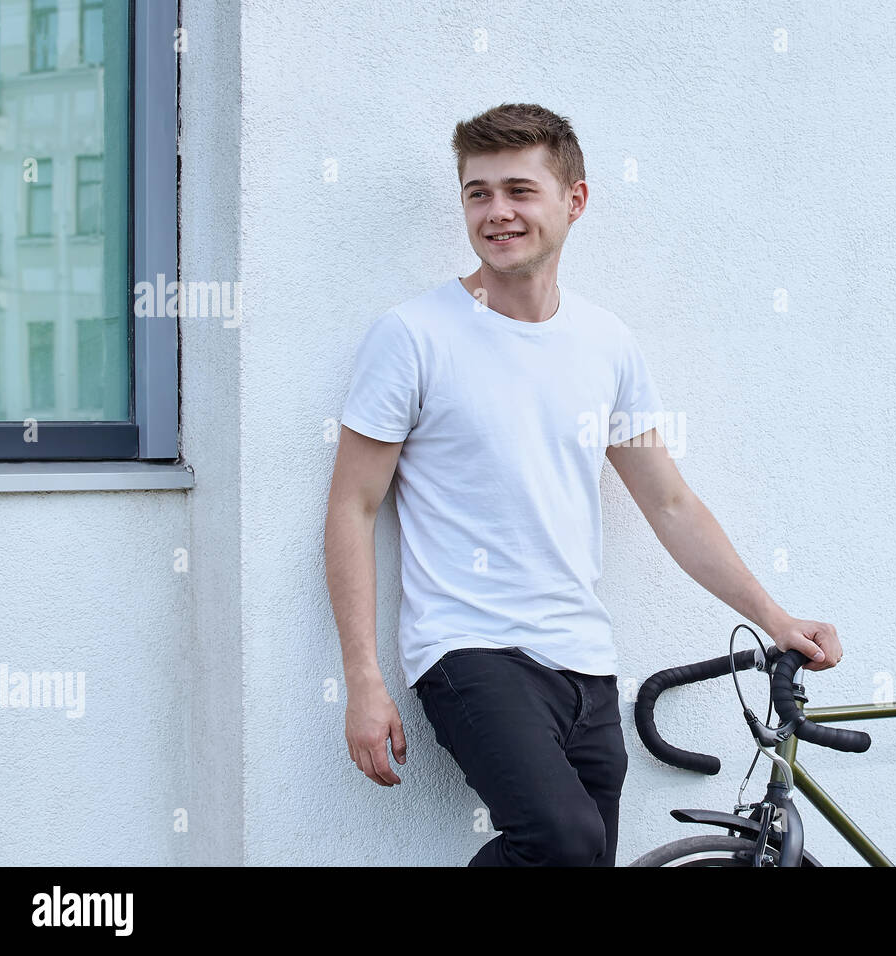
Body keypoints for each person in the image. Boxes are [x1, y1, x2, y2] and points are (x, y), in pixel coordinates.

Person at [324, 102, 842, 866]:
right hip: (472, 649)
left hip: (586, 663)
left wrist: (773, 616)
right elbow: (352, 505)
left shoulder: (605, 342)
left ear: (575, 200)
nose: (496, 212)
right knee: (559, 843)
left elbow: (669, 502)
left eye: (519, 190)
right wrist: (363, 679)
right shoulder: (414, 336)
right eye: (477, 193)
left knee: (588, 856)